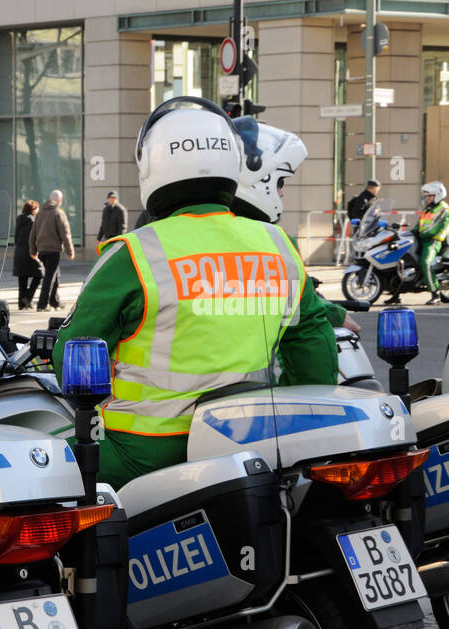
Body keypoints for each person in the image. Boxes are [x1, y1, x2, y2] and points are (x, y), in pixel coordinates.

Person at [52, 96, 337, 490]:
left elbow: (71, 359)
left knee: (33, 471)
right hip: (250, 444)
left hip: (145, 452)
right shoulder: (277, 244)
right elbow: (313, 348)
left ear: (151, 166)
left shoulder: (133, 254)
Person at [230, 116, 360, 334]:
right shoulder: (271, 243)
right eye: (279, 182)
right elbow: (299, 322)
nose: (281, 192)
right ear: (257, 180)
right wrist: (330, 312)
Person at [31, 188, 74, 310]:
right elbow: (65, 233)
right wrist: (70, 251)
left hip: (42, 250)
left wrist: (33, 251)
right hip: (53, 250)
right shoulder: (58, 213)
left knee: (55, 275)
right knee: (49, 277)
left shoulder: (40, 213)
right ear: (59, 200)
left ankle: (55, 302)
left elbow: (33, 233)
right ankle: (42, 304)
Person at [414, 181, 449, 304]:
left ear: (437, 195)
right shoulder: (428, 209)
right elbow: (419, 224)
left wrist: (423, 233)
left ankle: (435, 294)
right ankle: (396, 293)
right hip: (422, 240)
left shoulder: (444, 209)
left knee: (426, 262)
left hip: (433, 241)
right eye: (426, 196)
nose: (427, 198)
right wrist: (411, 232)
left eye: (430, 196)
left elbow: (438, 227)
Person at [12, 199, 42, 309]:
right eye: (37, 208)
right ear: (33, 209)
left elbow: (16, 237)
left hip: (19, 252)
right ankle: (28, 298)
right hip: (30, 252)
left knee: (22, 279)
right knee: (40, 274)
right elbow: (34, 238)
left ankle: (21, 304)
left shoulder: (19, 219)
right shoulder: (33, 221)